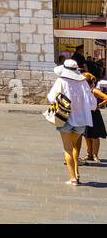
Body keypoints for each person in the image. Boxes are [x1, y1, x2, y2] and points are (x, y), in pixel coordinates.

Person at [47, 58, 96, 186]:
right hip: (81, 122)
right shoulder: (84, 83)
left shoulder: (61, 81)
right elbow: (93, 104)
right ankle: (77, 173)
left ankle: (73, 178)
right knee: (75, 147)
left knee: (67, 149)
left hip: (65, 119)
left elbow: (51, 98)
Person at [82, 72, 107, 165]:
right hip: (86, 114)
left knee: (95, 136)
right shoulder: (84, 91)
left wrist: (99, 105)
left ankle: (95, 154)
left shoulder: (94, 90)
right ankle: (89, 154)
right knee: (87, 135)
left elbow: (106, 97)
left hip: (94, 114)